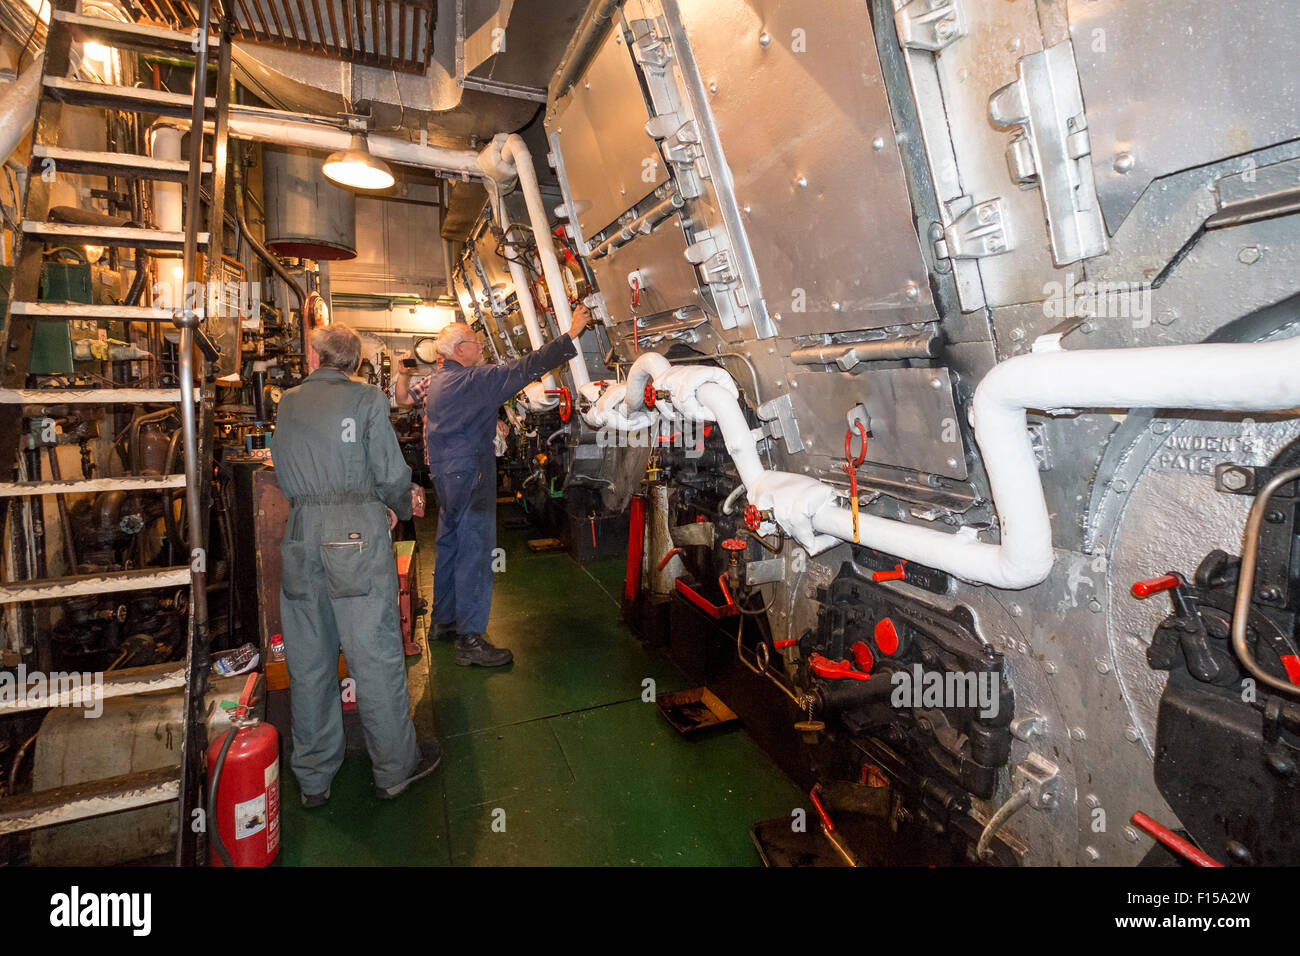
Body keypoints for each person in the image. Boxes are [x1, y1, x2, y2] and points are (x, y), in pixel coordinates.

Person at [273, 324, 439, 805]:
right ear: (356, 364)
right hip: (356, 539)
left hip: (301, 535)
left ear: (313, 357)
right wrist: (396, 506)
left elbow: (286, 472)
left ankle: (313, 778)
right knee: (375, 657)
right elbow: (389, 473)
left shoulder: (287, 402)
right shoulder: (366, 401)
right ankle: (393, 769)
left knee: (309, 662)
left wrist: (321, 504)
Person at [425, 305, 590, 666]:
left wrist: (490, 424)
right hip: (470, 472)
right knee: (474, 549)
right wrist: (571, 334)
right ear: (458, 350)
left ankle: (443, 621)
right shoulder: (472, 380)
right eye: (474, 340)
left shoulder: (441, 380)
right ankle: (469, 640)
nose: (481, 344)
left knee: (450, 545)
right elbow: (524, 368)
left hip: (445, 473)